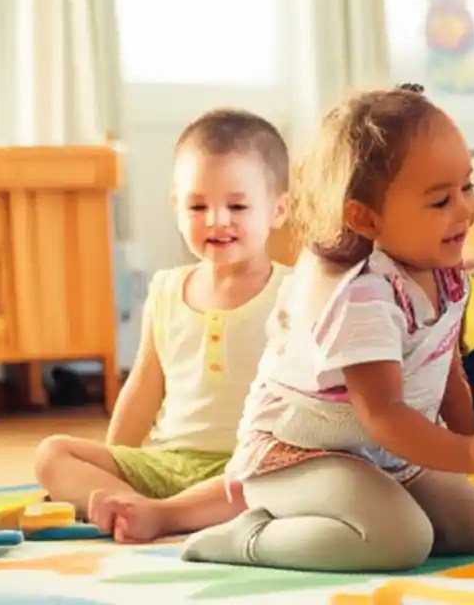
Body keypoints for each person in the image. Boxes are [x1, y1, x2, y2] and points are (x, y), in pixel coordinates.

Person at [180, 84, 474, 572]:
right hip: (300, 456)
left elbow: (443, 365)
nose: (465, 210)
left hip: (379, 455)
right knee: (398, 541)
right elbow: (382, 412)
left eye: (466, 187)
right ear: (365, 217)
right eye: (439, 200)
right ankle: (249, 536)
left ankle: (364, 506)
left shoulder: (446, 276)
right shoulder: (364, 297)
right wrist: (467, 452)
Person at [33, 110, 290, 526]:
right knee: (52, 454)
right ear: (176, 206)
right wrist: (115, 460)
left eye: (237, 205)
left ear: (278, 210)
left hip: (244, 468)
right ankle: (133, 507)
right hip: (167, 463)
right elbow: (143, 389)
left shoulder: (294, 292)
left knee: (280, 481)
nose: (217, 220)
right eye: (198, 205)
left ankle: (161, 515)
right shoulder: (168, 289)